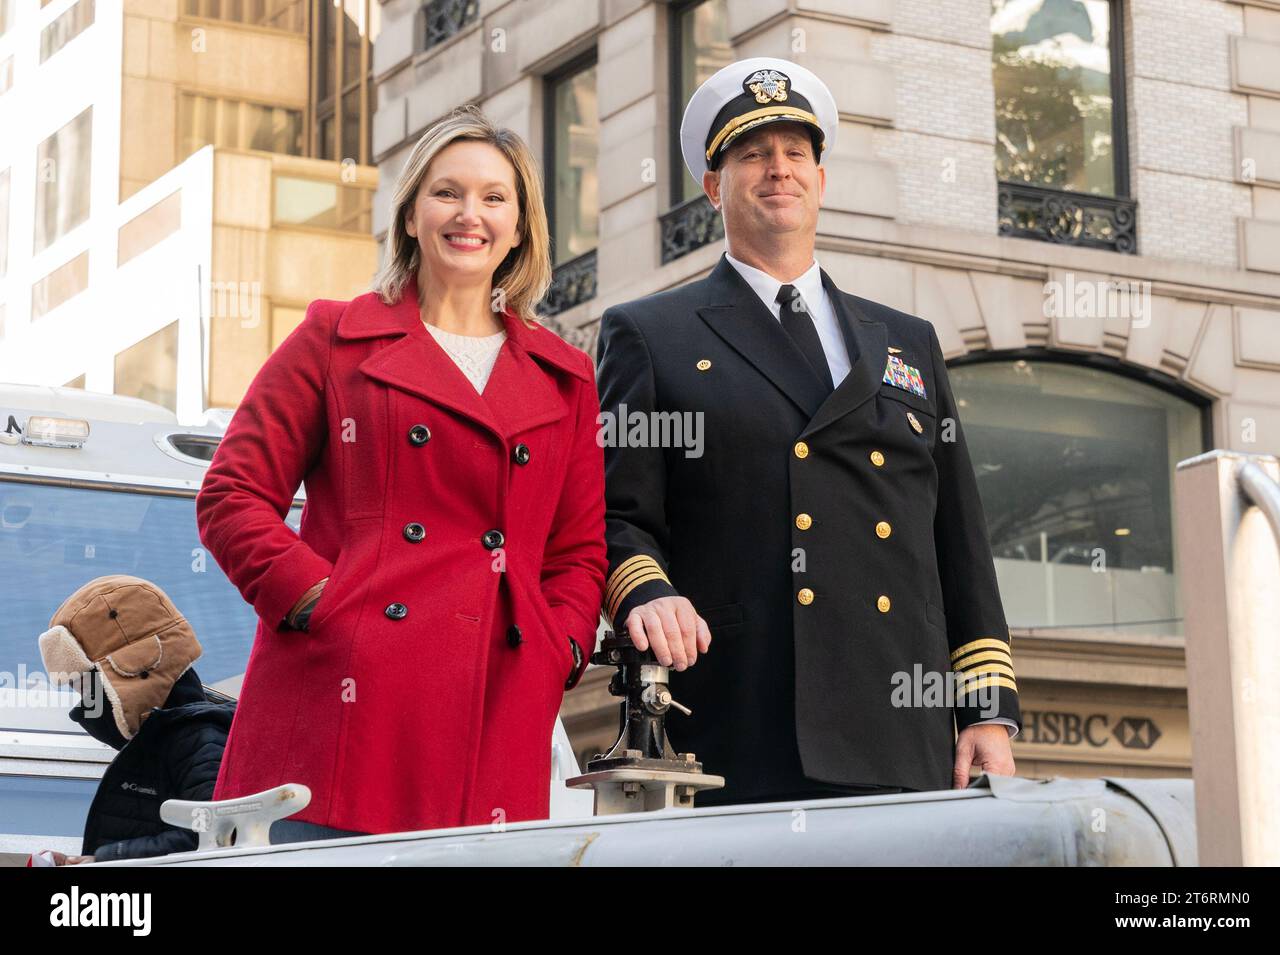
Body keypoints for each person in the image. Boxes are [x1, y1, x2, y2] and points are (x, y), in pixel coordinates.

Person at [597, 58, 1020, 807]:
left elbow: (959, 540)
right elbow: (616, 514)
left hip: (903, 720)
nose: (778, 170)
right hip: (748, 714)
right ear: (713, 185)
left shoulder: (907, 341)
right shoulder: (649, 333)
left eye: (796, 154)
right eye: (753, 154)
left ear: (821, 182)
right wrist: (648, 592)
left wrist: (987, 709)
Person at [196, 105, 606, 839]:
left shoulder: (565, 375)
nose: (468, 215)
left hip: (498, 708)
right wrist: (319, 604)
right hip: (341, 715)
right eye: (447, 192)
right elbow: (233, 494)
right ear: (412, 213)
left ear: (519, 226)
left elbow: (576, 553)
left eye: (493, 198)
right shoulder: (335, 336)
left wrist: (559, 648)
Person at [37, 575, 234, 862]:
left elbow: (215, 838)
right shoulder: (164, 739)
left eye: (87, 686)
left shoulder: (199, 739)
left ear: (136, 669)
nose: (87, 702)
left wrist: (105, 859)